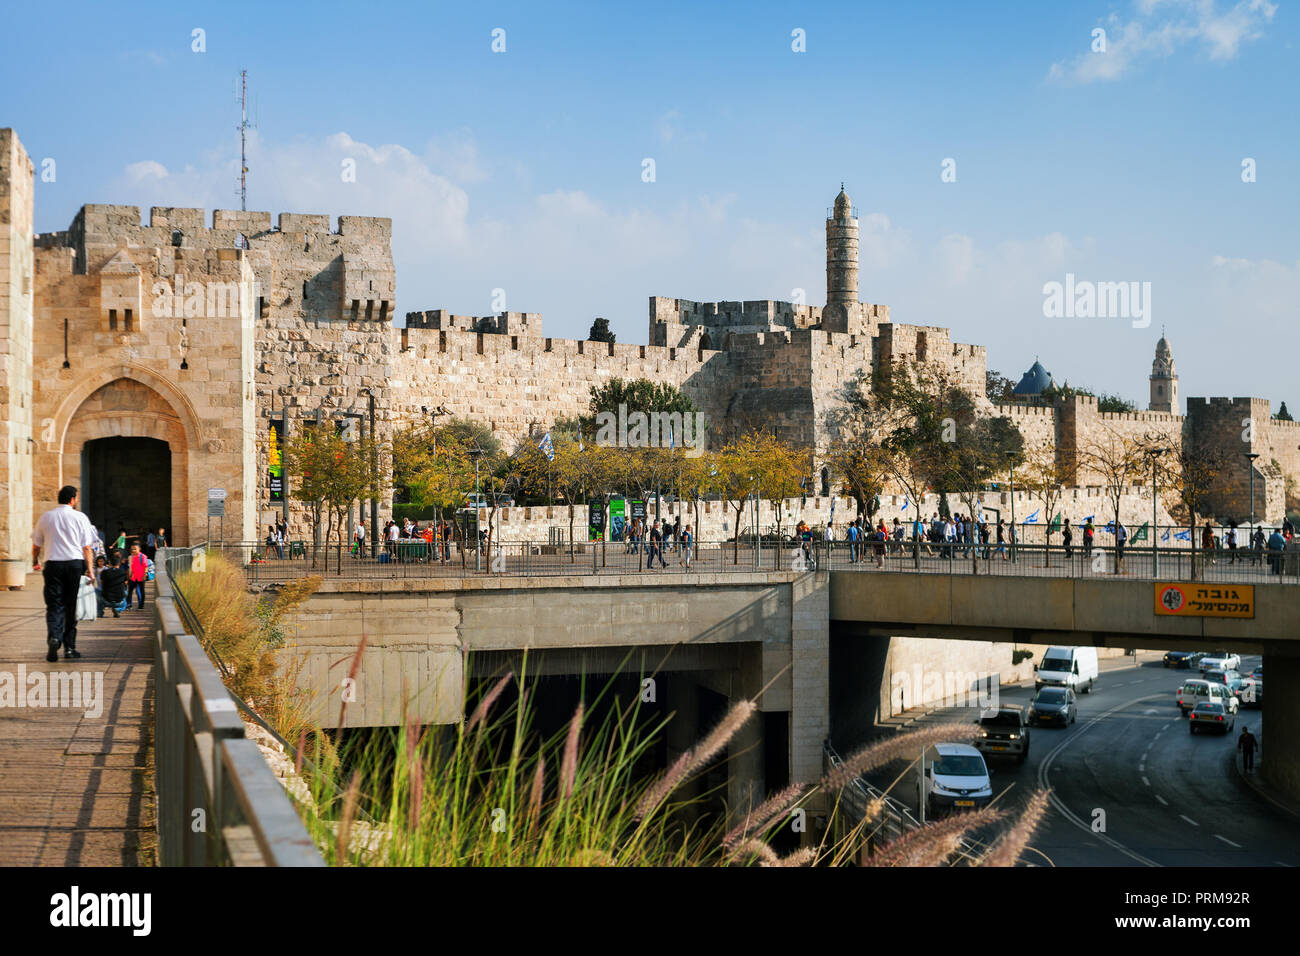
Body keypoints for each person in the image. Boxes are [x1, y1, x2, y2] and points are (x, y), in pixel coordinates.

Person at [32, 485, 98, 662]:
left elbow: (36, 544)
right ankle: (69, 647)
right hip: (74, 564)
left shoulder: (47, 517)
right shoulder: (80, 517)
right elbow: (86, 547)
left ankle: (54, 637)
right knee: (70, 605)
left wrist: (34, 561)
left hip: (53, 564)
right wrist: (91, 570)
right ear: (72, 499)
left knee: (54, 604)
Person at [98, 550, 129, 618]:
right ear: (119, 564)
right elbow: (126, 583)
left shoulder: (104, 572)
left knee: (97, 591)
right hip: (119, 602)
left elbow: (102, 583)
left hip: (106, 600)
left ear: (110, 564)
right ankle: (118, 609)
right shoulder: (123, 572)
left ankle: (100, 613)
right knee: (126, 590)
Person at [126, 542, 149, 609]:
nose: (133, 550)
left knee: (141, 591)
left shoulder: (143, 556)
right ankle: (128, 605)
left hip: (141, 577)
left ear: (139, 549)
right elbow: (132, 567)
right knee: (129, 591)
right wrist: (130, 576)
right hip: (133, 577)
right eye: (132, 549)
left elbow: (146, 566)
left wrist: (145, 574)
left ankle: (141, 606)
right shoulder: (132, 557)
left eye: (135, 549)